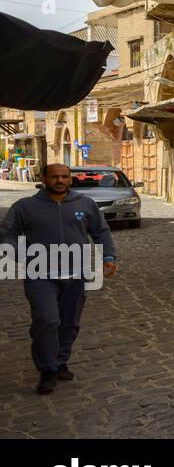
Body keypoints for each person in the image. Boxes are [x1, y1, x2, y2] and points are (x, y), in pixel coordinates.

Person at [0, 163, 117, 394]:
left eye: (64, 176)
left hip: (76, 275)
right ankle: (48, 370)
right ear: (44, 178)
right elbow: (7, 233)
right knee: (47, 320)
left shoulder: (85, 204)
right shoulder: (26, 206)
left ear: (70, 179)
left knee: (69, 323)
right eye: (55, 176)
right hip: (40, 275)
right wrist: (17, 254)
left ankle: (60, 360)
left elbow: (100, 232)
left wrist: (109, 256)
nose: (60, 180)